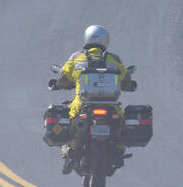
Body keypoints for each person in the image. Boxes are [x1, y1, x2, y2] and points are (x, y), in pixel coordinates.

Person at [54, 25, 133, 172]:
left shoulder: (77, 58)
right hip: (111, 106)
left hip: (81, 105)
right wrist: (129, 84)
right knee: (121, 125)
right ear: (106, 41)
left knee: (70, 122)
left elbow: (63, 76)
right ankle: (119, 150)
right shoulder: (113, 59)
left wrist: (58, 84)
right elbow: (125, 77)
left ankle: (69, 150)